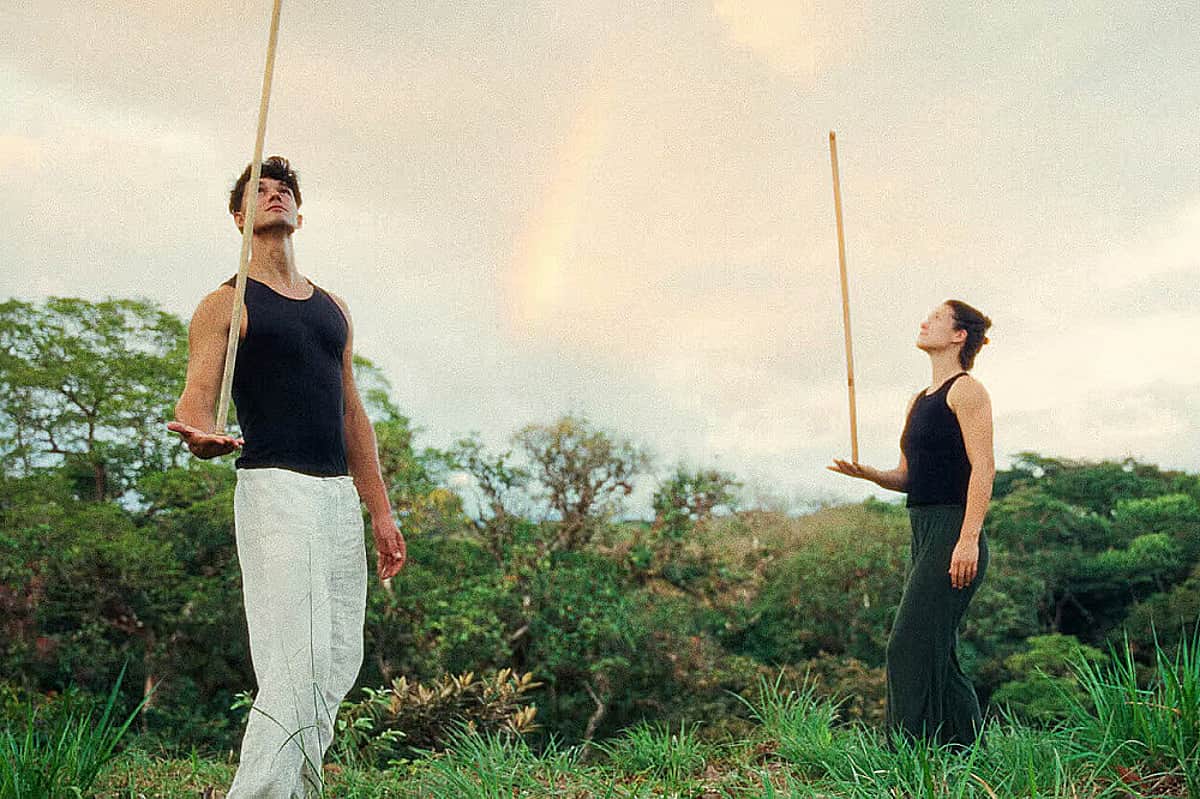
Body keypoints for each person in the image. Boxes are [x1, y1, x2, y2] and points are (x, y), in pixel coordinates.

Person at [168, 156, 406, 796]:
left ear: (300, 212)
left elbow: (352, 413)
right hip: (275, 490)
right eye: (260, 191)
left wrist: (381, 512)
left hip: (336, 497)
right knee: (292, 663)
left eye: (284, 190)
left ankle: (297, 789)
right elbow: (197, 397)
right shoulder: (225, 303)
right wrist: (201, 434)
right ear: (238, 217)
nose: (275, 197)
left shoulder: (333, 308)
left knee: (336, 659)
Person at [829, 300, 994, 746]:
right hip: (922, 530)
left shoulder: (967, 391)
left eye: (937, 318)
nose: (925, 322)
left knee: (906, 645)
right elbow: (908, 477)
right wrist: (870, 474)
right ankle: (965, 752)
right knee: (937, 652)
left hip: (953, 529)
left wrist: (968, 540)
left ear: (959, 335)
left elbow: (983, 468)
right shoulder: (918, 401)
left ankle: (903, 751)